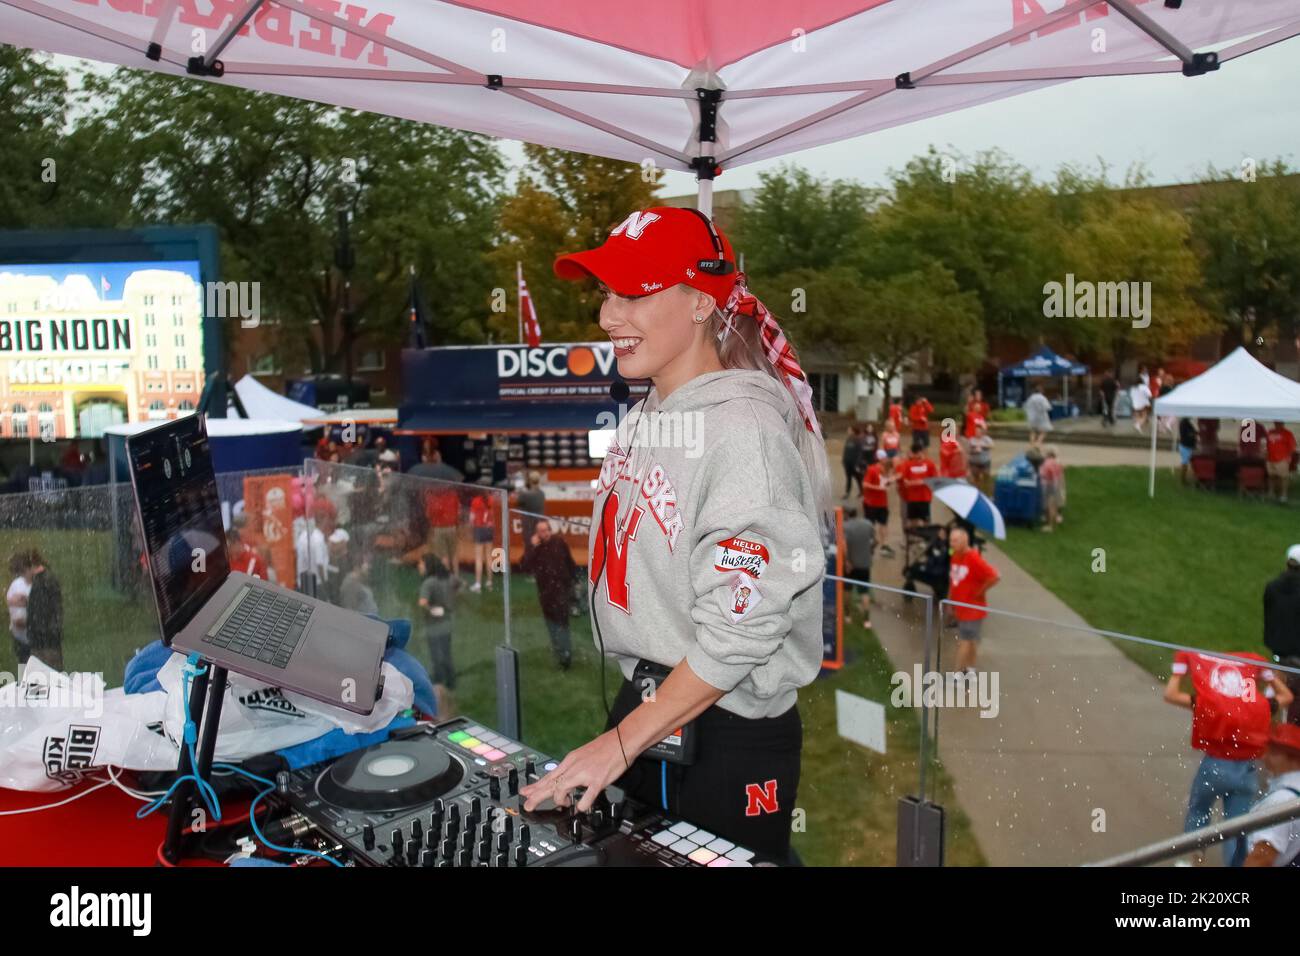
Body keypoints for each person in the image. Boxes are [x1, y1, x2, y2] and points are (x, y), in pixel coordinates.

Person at [521, 205, 831, 862]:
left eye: (633, 293)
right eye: (606, 292)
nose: (607, 316)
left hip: (729, 732)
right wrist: (628, 733)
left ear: (699, 301)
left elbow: (741, 628)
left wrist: (620, 743)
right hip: (650, 703)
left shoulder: (744, 432)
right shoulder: (649, 412)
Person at [1165, 648, 1293, 866]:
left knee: (1199, 812)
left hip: (1214, 768)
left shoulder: (1207, 703)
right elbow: (1287, 697)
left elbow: (1171, 694)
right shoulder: (1260, 707)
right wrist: (1268, 676)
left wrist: (1178, 671)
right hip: (1247, 772)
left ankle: (1194, 861)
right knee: (1236, 828)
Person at [519, 518, 578, 669]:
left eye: (545, 530)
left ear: (550, 530)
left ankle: (566, 656)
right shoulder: (535, 549)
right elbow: (524, 566)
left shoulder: (559, 543)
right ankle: (560, 651)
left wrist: (574, 583)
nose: (543, 534)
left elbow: (570, 563)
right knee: (551, 625)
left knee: (562, 623)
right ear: (536, 534)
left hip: (561, 591)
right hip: (545, 594)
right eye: (540, 531)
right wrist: (532, 547)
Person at [1243, 723, 1300, 866]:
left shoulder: (1281, 801)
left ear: (1294, 759)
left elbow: (1261, 858)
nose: (1264, 757)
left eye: (1273, 753)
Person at [947, 527, 998, 674]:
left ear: (965, 540)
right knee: (971, 641)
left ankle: (957, 673)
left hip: (972, 610)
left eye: (955, 540)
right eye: (951, 540)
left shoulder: (974, 558)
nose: (951, 543)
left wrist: (980, 592)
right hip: (961, 608)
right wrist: (950, 602)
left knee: (964, 641)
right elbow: (953, 581)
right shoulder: (955, 555)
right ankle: (970, 670)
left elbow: (994, 576)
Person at [417, 552, 457, 715]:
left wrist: (432, 610)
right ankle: (451, 682)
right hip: (448, 624)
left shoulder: (428, 583)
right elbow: (461, 586)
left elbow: (422, 603)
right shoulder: (448, 578)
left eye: (421, 564)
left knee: (436, 656)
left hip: (434, 626)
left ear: (427, 566)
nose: (419, 566)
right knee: (446, 653)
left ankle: (440, 687)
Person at [1265, 545, 1300, 727]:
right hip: (1297, 658)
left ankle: (1265, 738)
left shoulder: (1272, 587)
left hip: (1278, 655)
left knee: (1275, 698)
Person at [26, 551, 64, 671]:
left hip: (44, 641)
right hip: (49, 638)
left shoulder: (41, 583)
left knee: (45, 677)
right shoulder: (48, 579)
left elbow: (40, 612)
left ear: (30, 567)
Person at [841, 506, 875, 629]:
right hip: (865, 564)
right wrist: (870, 551)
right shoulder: (868, 524)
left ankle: (848, 616)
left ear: (847, 515)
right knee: (865, 593)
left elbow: (843, 545)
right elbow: (874, 541)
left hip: (850, 565)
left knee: (847, 591)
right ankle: (866, 620)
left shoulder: (845, 527)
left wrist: (847, 561)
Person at [862, 449, 895, 558]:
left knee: (883, 524)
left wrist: (889, 482)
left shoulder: (887, 471)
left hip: (882, 503)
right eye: (884, 458)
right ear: (879, 459)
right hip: (871, 503)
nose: (886, 460)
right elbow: (865, 484)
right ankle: (870, 543)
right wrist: (879, 488)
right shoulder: (872, 470)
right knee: (871, 525)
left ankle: (884, 545)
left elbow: (887, 484)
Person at [898, 441, 938, 530]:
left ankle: (926, 537)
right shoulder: (908, 464)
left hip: (924, 497)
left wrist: (918, 482)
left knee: (926, 520)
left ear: (921, 452)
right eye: (914, 453)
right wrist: (920, 482)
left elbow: (934, 479)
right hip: (912, 497)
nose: (916, 456)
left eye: (918, 453)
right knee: (913, 520)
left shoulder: (929, 464)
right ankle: (914, 538)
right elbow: (905, 480)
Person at [7, 551, 32, 668]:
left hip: (31, 640)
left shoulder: (36, 584)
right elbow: (18, 621)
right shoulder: (17, 585)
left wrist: (26, 602)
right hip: (24, 640)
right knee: (26, 671)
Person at [513, 470, 546, 561]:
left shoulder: (525, 494)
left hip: (529, 523)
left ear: (529, 481)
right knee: (539, 543)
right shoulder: (541, 493)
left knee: (529, 544)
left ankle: (530, 564)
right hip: (539, 521)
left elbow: (518, 503)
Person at [468, 490, 495, 592]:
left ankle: (478, 584)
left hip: (479, 529)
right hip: (489, 529)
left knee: (479, 558)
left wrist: (471, 527)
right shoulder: (491, 500)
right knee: (489, 557)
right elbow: (492, 515)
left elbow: (472, 517)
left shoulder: (475, 501)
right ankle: (489, 582)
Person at [1265, 421, 1296, 503]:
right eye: (1276, 423)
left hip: (1282, 459)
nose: (1277, 424)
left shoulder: (1287, 433)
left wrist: (1288, 457)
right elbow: (1268, 444)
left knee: (1283, 478)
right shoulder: (1270, 432)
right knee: (1271, 477)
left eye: (1279, 423)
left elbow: (1292, 447)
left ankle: (1283, 495)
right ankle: (1271, 493)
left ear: (1283, 424)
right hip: (1270, 458)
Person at [1038, 446, 1065, 530]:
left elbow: (1042, 474)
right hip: (1056, 485)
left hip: (1048, 485)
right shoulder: (1057, 462)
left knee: (1048, 505)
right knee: (1054, 504)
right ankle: (1054, 520)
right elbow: (1060, 473)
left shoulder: (1046, 464)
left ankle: (1049, 525)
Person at [966, 422, 994, 493]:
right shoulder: (972, 440)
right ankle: (977, 491)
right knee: (976, 478)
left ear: (982, 432)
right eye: (976, 431)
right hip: (974, 463)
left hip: (985, 462)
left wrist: (982, 446)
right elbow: (967, 450)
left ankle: (987, 491)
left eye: (978, 431)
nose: (977, 433)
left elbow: (992, 446)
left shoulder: (986, 439)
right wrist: (974, 450)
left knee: (986, 477)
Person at [841, 425, 864, 498]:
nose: (848, 431)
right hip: (847, 463)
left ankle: (862, 491)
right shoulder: (848, 439)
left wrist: (857, 464)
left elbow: (860, 453)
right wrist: (844, 460)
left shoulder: (858, 440)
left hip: (854, 464)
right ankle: (847, 493)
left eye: (849, 430)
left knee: (858, 478)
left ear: (853, 431)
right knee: (848, 478)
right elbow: (846, 451)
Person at [1177, 417, 1198, 486]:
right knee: (1184, 463)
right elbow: (1188, 434)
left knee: (1185, 463)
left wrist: (1195, 433)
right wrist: (1194, 434)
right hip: (1185, 446)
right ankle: (1183, 480)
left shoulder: (1186, 422)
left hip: (1186, 445)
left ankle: (1184, 479)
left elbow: (1192, 432)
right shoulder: (1184, 423)